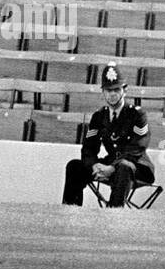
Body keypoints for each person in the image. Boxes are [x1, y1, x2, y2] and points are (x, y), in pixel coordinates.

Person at [62, 63, 154, 207]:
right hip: (110, 164)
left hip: (136, 166)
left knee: (124, 166)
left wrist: (112, 167)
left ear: (125, 90)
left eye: (116, 89)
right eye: (108, 90)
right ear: (103, 92)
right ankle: (70, 211)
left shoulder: (136, 114)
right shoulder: (99, 116)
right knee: (74, 166)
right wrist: (94, 166)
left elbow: (137, 148)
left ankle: (112, 214)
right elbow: (88, 148)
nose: (112, 94)